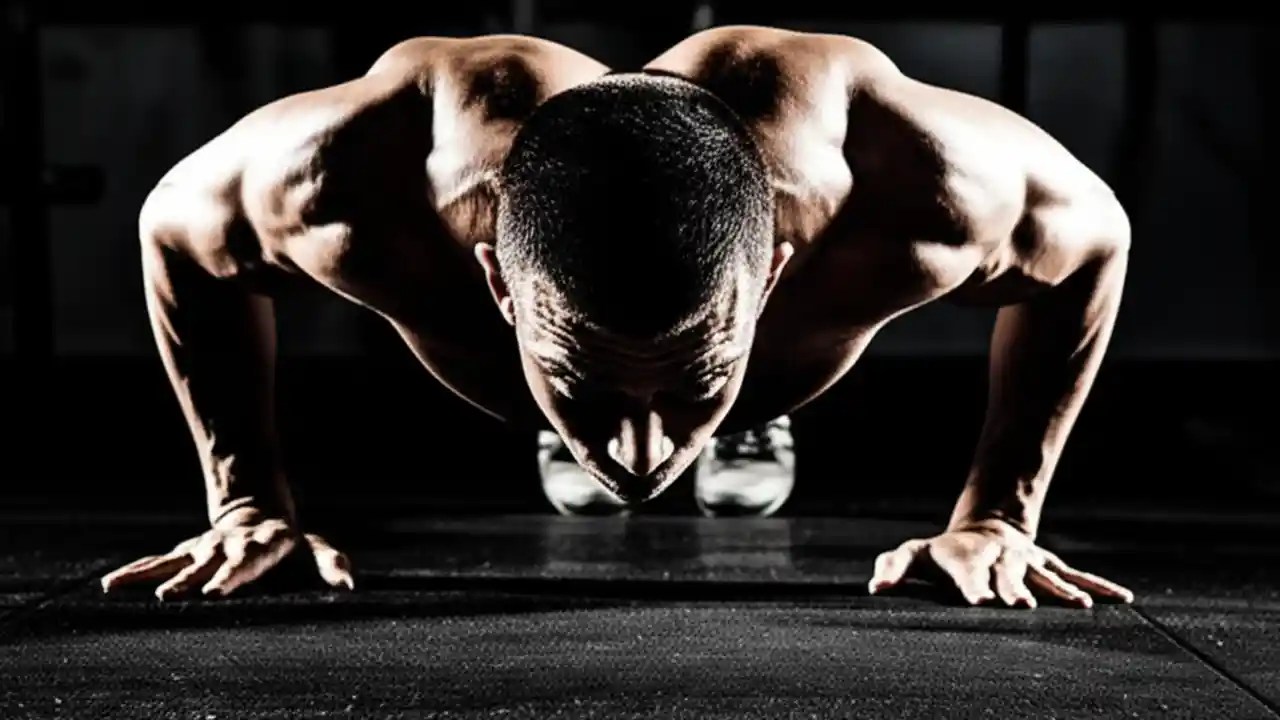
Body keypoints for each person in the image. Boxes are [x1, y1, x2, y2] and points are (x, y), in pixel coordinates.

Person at [100, 26, 1136, 610]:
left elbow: (1094, 240)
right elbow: (175, 234)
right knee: (626, 386)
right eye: (588, 389)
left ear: (770, 280)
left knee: (676, 381)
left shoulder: (921, 190)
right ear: (499, 290)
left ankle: (711, 390)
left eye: (684, 391)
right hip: (555, 286)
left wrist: (996, 512)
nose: (640, 452)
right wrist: (245, 501)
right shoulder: (344, 187)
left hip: (754, 301)